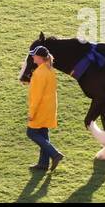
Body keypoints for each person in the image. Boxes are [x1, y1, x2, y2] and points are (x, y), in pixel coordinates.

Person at [24, 44, 62, 172]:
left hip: (40, 109)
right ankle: (43, 164)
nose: (32, 57)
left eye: (34, 55)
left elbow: (37, 96)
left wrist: (31, 112)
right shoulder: (50, 69)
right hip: (49, 108)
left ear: (40, 57)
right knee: (43, 134)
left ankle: (55, 154)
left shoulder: (39, 73)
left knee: (31, 132)